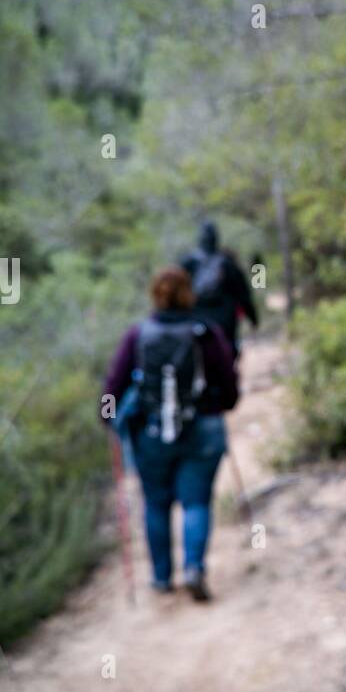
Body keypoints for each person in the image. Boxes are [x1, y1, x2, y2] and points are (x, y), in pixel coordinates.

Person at [102, 266, 238, 601]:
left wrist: (108, 419)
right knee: (195, 501)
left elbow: (112, 387)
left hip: (150, 435)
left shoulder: (138, 335)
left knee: (156, 504)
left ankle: (161, 578)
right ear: (188, 293)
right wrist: (221, 403)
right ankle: (193, 568)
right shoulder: (206, 332)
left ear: (155, 294)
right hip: (202, 429)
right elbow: (230, 386)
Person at [179, 220, 257, 354]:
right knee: (228, 352)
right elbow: (243, 293)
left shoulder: (187, 262)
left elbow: (175, 292)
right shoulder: (227, 263)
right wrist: (253, 318)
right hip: (225, 321)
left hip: (195, 319)